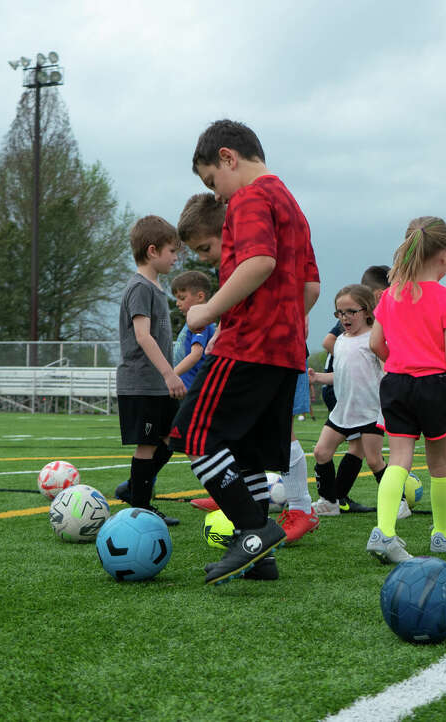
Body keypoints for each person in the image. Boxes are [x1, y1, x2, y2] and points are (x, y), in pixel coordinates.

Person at [168, 120, 320, 585]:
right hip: (285, 351)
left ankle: (254, 531)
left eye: (213, 182)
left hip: (248, 344)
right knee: (247, 453)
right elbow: (310, 285)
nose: (218, 196)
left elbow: (259, 262)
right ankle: (260, 557)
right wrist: (284, 318)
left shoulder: (250, 197)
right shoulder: (290, 202)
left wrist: (209, 312)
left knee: (194, 435)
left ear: (229, 158)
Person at [366, 217, 446, 564]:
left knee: (398, 459)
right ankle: (441, 534)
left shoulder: (390, 295)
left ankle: (384, 532)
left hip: (395, 384)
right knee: (439, 463)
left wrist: (397, 360)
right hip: (434, 385)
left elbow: (374, 343)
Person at [307, 284, 405, 520]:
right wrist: (318, 377)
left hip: (370, 412)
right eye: (340, 313)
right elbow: (341, 376)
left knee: (373, 460)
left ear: (367, 311)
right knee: (321, 452)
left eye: (351, 311)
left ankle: (399, 503)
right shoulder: (340, 340)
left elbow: (388, 373)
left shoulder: (375, 339)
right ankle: (329, 502)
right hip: (343, 412)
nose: (345, 317)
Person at [116, 216, 185, 527]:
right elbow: (143, 336)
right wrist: (170, 374)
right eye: (173, 251)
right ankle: (141, 507)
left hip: (157, 383)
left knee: (171, 438)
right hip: (141, 383)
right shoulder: (140, 287)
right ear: (153, 250)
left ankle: (133, 489)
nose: (176, 257)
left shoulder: (157, 287)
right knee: (147, 444)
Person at [170, 271, 216, 391]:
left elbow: (196, 353)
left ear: (200, 297)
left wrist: (171, 376)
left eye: (182, 298)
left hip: (194, 388)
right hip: (187, 387)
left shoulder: (201, 322)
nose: (177, 303)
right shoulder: (192, 322)